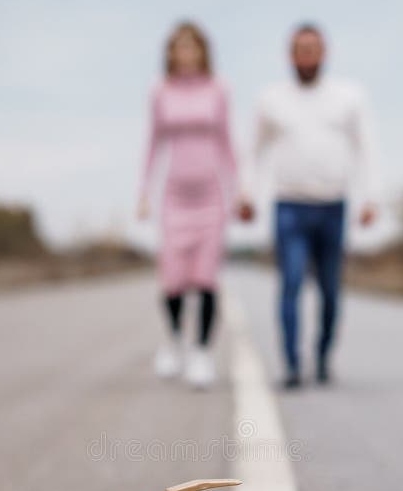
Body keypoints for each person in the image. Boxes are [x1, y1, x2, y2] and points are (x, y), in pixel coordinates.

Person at [240, 23, 380, 388]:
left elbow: (365, 149)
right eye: (300, 49)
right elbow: (254, 150)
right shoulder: (271, 99)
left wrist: (371, 197)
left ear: (324, 53)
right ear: (290, 55)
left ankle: (322, 356)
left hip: (333, 206)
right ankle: (291, 364)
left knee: (331, 290)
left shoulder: (348, 97)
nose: (307, 56)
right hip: (289, 206)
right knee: (290, 283)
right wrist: (246, 193)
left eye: (313, 49)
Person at [138, 22, 238, 389]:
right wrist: (143, 192)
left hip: (211, 194)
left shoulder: (218, 89)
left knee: (206, 277)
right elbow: (152, 144)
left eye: (192, 47)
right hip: (174, 196)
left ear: (202, 51)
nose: (185, 54)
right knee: (174, 280)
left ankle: (202, 353)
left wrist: (238, 189)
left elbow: (228, 142)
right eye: (178, 47)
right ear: (170, 53)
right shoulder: (160, 91)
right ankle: (174, 340)